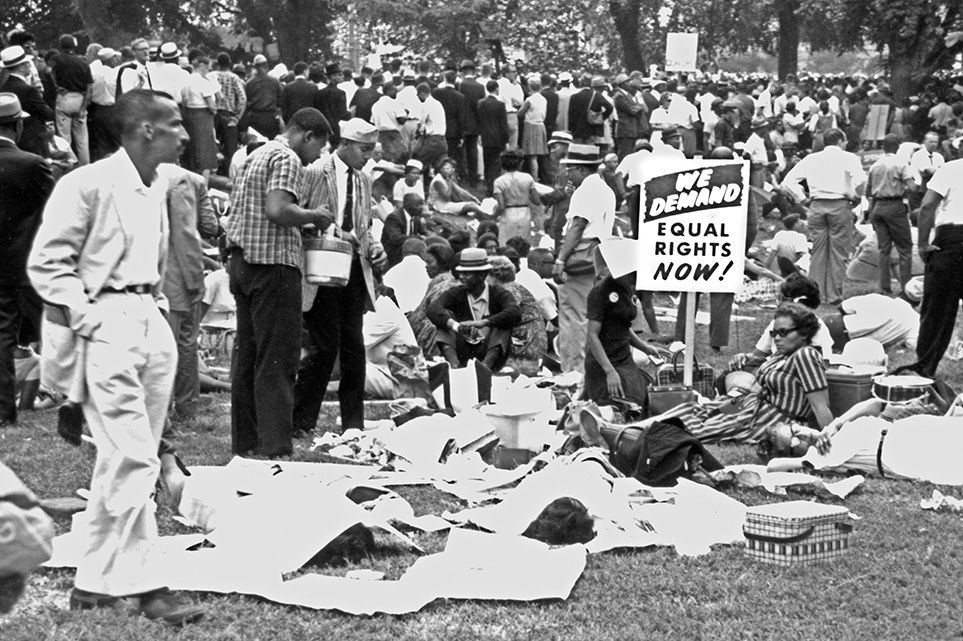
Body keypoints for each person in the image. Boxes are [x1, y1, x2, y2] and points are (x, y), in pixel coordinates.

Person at [28, 89, 203, 624]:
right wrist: (90, 319)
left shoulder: (158, 186)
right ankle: (149, 584)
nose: (186, 133)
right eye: (175, 124)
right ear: (146, 130)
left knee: (120, 460)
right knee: (134, 459)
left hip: (148, 319)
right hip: (104, 324)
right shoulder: (86, 184)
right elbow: (47, 265)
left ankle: (92, 583)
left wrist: (157, 319)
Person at [225, 107, 332, 457]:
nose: (317, 156)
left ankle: (247, 442)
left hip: (242, 262)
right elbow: (277, 210)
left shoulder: (256, 154)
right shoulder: (288, 158)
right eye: (319, 148)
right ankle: (275, 445)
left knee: (249, 355)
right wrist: (312, 215)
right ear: (307, 136)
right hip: (273, 266)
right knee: (278, 358)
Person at [293, 118, 388, 435]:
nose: (368, 156)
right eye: (364, 149)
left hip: (355, 271)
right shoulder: (316, 172)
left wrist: (374, 248)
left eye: (372, 150)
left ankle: (353, 422)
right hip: (322, 267)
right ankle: (301, 418)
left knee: (354, 347)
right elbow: (301, 218)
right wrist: (336, 232)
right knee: (325, 345)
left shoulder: (363, 179)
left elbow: (365, 226)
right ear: (344, 144)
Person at [677, 303, 835, 444]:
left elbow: (820, 406)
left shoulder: (806, 355)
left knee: (693, 429)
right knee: (691, 411)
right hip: (750, 406)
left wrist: (831, 441)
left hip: (772, 420)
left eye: (783, 332)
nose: (777, 338)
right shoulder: (782, 354)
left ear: (804, 333)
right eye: (774, 334)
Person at [0, 94, 54, 426]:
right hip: (31, 266)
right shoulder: (33, 164)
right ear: (18, 125)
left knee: (3, 335)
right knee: (61, 326)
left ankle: (5, 409)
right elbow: (56, 212)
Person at [779, 128, 866, 304]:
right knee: (838, 252)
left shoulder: (812, 159)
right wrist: (856, 197)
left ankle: (815, 292)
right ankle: (834, 295)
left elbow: (787, 182)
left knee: (817, 251)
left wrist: (802, 199)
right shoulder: (849, 158)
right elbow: (861, 181)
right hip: (840, 205)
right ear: (841, 141)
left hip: (816, 206)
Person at [552, 144, 615, 374]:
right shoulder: (603, 188)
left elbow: (577, 226)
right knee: (591, 315)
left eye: (570, 169)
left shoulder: (585, 191)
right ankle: (589, 367)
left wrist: (560, 260)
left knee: (572, 316)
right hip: (599, 255)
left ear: (581, 169)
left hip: (580, 256)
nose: (568, 173)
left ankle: (573, 371)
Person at [163, 165, 219, 419]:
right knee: (184, 343)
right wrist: (196, 279)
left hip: (151, 272)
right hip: (180, 274)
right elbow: (205, 227)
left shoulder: (138, 172)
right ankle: (184, 407)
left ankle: (164, 410)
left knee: (165, 345)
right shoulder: (189, 180)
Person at [427, 247, 521, 371]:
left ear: (482, 275)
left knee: (504, 323)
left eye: (466, 273)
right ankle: (454, 366)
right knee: (444, 320)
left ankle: (485, 367)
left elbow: (515, 312)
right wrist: (457, 326)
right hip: (464, 351)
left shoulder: (498, 293)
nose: (461, 277)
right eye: (461, 273)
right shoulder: (457, 293)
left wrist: (483, 322)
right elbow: (433, 309)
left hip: (490, 352)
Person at [583, 266, 663, 408]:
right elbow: (592, 335)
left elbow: (624, 325)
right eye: (635, 275)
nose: (637, 280)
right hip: (604, 361)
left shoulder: (627, 288)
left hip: (623, 356)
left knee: (640, 401)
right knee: (617, 406)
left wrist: (645, 347)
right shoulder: (600, 292)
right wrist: (609, 371)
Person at [914, 156, 963, 377]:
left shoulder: (951, 169)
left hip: (952, 238)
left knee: (937, 308)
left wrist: (923, 244)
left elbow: (927, 206)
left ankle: (925, 367)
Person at [728, 274, 835, 373]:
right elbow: (757, 355)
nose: (777, 303)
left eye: (782, 299)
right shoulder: (778, 322)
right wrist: (744, 357)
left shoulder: (817, 330)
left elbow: (818, 369)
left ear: (799, 302)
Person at [866, 133, 917, 293]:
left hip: (878, 206)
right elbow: (913, 187)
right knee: (905, 248)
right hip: (894, 205)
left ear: (883, 147)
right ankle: (906, 287)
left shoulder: (875, 165)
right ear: (898, 147)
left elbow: (868, 190)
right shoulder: (900, 163)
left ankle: (884, 286)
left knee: (884, 249)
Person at [488, 254, 547, 376]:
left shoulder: (509, 290)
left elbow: (505, 315)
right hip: (527, 342)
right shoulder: (512, 287)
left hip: (525, 345)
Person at [0, 45, 55, 157]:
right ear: (21, 67)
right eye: (27, 63)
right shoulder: (28, 89)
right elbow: (46, 113)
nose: (30, 65)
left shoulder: (5, 88)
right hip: (35, 138)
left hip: (18, 140)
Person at [407, 243, 458, 358]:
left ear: (442, 262)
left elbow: (421, 312)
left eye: (430, 262)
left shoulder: (439, 281)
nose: (426, 266)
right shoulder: (452, 279)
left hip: (435, 333)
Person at [49, 34, 93, 164]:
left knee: (64, 138)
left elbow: (47, 71)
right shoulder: (83, 62)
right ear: (75, 45)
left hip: (65, 98)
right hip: (80, 99)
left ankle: (71, 166)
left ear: (61, 45)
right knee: (83, 140)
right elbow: (90, 88)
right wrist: (83, 108)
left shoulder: (56, 58)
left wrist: (56, 86)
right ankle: (85, 168)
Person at [181, 52, 218, 179]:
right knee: (206, 151)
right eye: (207, 68)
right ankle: (204, 185)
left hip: (189, 114)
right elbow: (211, 105)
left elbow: (184, 99)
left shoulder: (186, 80)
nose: (208, 71)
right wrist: (214, 111)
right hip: (203, 116)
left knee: (193, 149)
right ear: (202, 66)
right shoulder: (203, 82)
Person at [493, 148, 540, 244]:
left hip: (508, 214)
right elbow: (537, 201)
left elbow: (501, 206)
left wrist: (493, 216)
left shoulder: (499, 181)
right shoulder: (528, 178)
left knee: (506, 243)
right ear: (520, 163)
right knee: (523, 243)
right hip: (525, 213)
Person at [211, 52, 247, 176]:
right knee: (230, 147)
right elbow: (242, 98)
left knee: (213, 145)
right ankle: (228, 174)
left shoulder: (211, 76)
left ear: (217, 63)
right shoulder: (234, 78)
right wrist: (238, 117)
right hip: (229, 116)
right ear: (229, 63)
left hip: (213, 115)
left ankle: (214, 172)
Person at [477, 80, 509, 196]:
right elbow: (503, 124)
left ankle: (488, 187)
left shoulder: (480, 103)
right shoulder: (500, 105)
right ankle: (495, 188)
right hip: (497, 139)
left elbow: (479, 121)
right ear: (496, 88)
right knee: (496, 165)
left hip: (485, 137)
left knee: (487, 163)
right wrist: (506, 140)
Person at [243, 54, 283, 141]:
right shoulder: (275, 81)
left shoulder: (249, 83)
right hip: (271, 118)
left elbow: (245, 104)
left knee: (257, 146)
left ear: (255, 67)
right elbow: (281, 101)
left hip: (255, 118)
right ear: (266, 65)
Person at [382, 192, 428, 268]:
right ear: (409, 206)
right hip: (394, 249)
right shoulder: (394, 217)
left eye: (422, 205)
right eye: (418, 205)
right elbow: (395, 238)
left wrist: (427, 237)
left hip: (409, 246)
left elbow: (423, 232)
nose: (421, 207)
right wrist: (418, 238)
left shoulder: (415, 216)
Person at [518, 75, 548, 177]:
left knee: (532, 155)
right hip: (540, 125)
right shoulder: (543, 99)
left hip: (531, 126)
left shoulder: (529, 100)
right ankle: (537, 176)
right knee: (536, 155)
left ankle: (534, 178)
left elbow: (520, 113)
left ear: (530, 87)